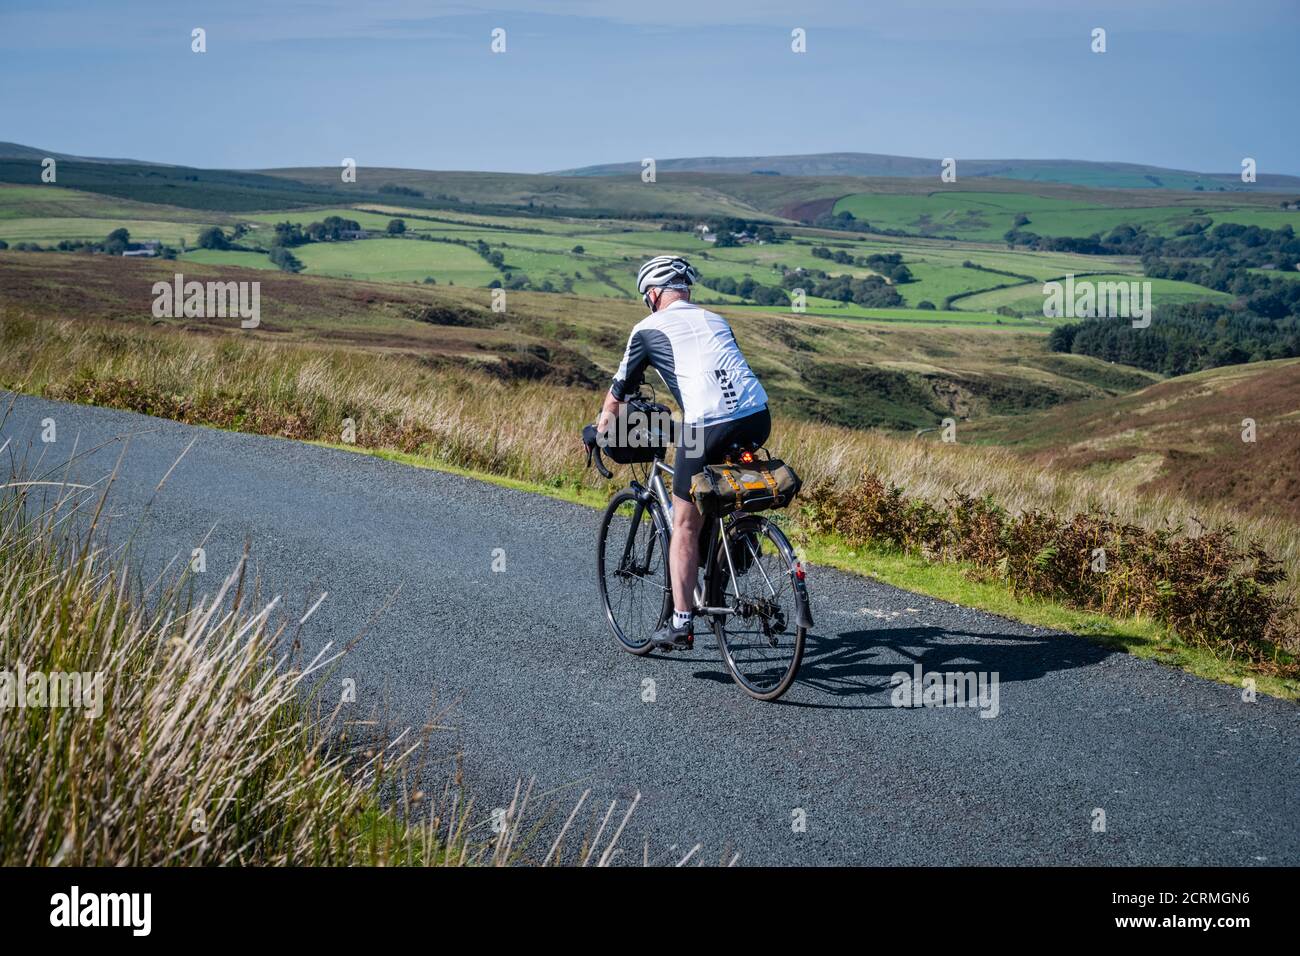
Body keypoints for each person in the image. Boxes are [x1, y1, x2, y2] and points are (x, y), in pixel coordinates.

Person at [596, 255, 770, 650]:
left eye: (647, 297)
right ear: (685, 291)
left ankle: (680, 623)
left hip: (705, 424)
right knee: (725, 482)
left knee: (684, 522)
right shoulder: (716, 319)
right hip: (758, 416)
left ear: (653, 294)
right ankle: (739, 533)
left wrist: (598, 432)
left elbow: (618, 394)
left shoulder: (645, 329)